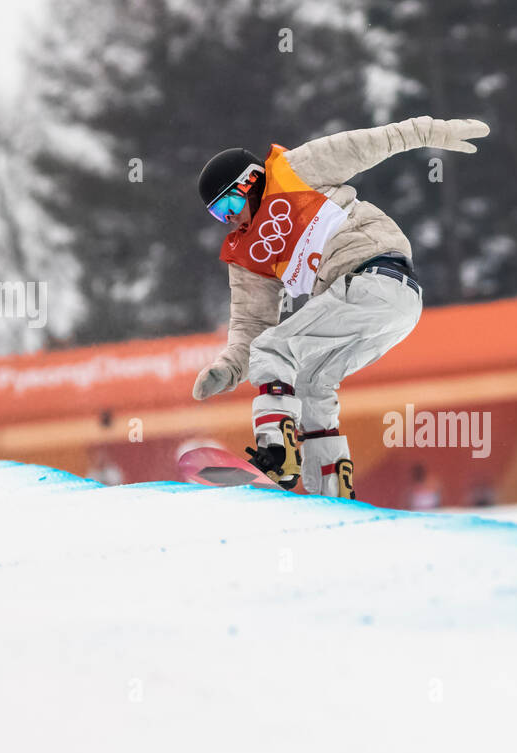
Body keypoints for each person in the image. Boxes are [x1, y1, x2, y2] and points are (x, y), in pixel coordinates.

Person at [191, 116, 491, 497]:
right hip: (389, 305)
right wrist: (228, 369)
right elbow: (251, 325)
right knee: (311, 381)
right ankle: (329, 486)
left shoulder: (295, 170)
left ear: (251, 181)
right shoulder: (246, 256)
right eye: (219, 213)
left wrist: (431, 131)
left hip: (373, 275)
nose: (230, 217)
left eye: (231, 202)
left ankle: (276, 452)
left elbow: (375, 142)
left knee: (274, 349)